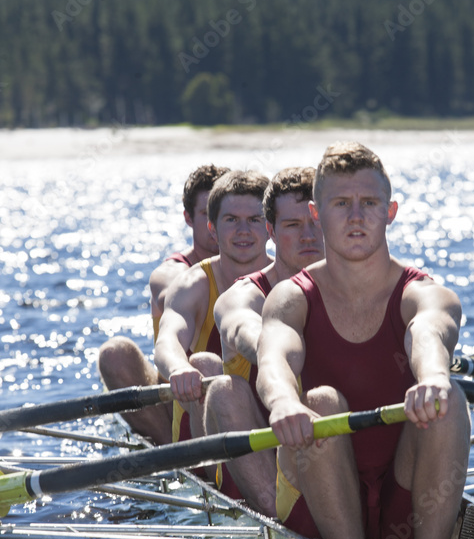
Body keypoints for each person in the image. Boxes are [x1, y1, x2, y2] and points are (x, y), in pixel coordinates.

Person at [256, 141, 471, 539]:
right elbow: (274, 358)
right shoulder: (291, 298)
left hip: (402, 496)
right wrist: (282, 402)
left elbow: (428, 332)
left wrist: (432, 378)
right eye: (341, 203)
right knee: (320, 402)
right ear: (317, 216)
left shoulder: (424, 292)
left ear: (389, 212)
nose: (356, 216)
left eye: (369, 203)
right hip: (316, 497)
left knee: (450, 399)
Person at [204, 166, 324, 516]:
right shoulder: (241, 297)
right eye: (293, 225)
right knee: (226, 390)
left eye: (316, 223)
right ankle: (280, 520)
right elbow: (244, 329)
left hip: (324, 444)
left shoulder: (352, 291)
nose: (308, 236)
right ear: (271, 231)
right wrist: (279, 352)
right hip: (258, 461)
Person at [97, 164, 229, 444]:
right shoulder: (173, 274)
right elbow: (173, 291)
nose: (215, 225)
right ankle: (172, 450)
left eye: (223, 215)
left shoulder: (260, 267)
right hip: (182, 395)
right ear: (188, 218)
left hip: (235, 390)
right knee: (115, 353)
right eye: (207, 214)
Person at [154, 169, 272, 444]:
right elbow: (167, 340)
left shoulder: (288, 281)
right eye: (232, 220)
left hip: (271, 418)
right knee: (204, 364)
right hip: (203, 437)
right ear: (213, 228)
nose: (243, 231)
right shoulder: (192, 284)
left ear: (269, 226)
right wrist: (178, 368)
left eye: (254, 220)